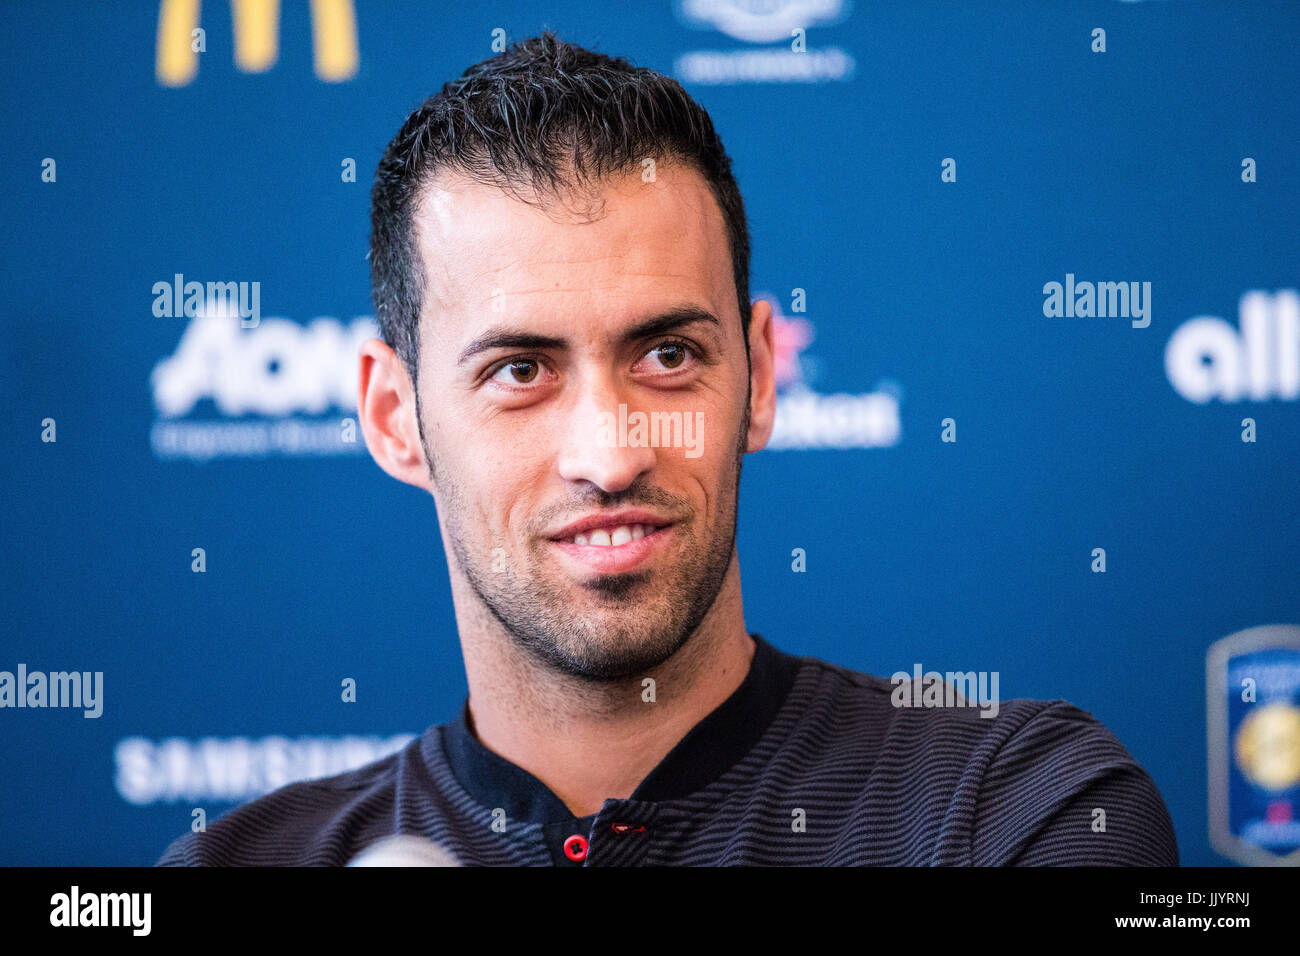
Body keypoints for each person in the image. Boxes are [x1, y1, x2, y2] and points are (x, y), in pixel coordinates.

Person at [158, 32, 1177, 866]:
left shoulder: (1016, 806)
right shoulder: (240, 864)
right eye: (520, 369)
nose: (610, 453)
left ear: (761, 378)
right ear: (394, 417)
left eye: (667, 354)